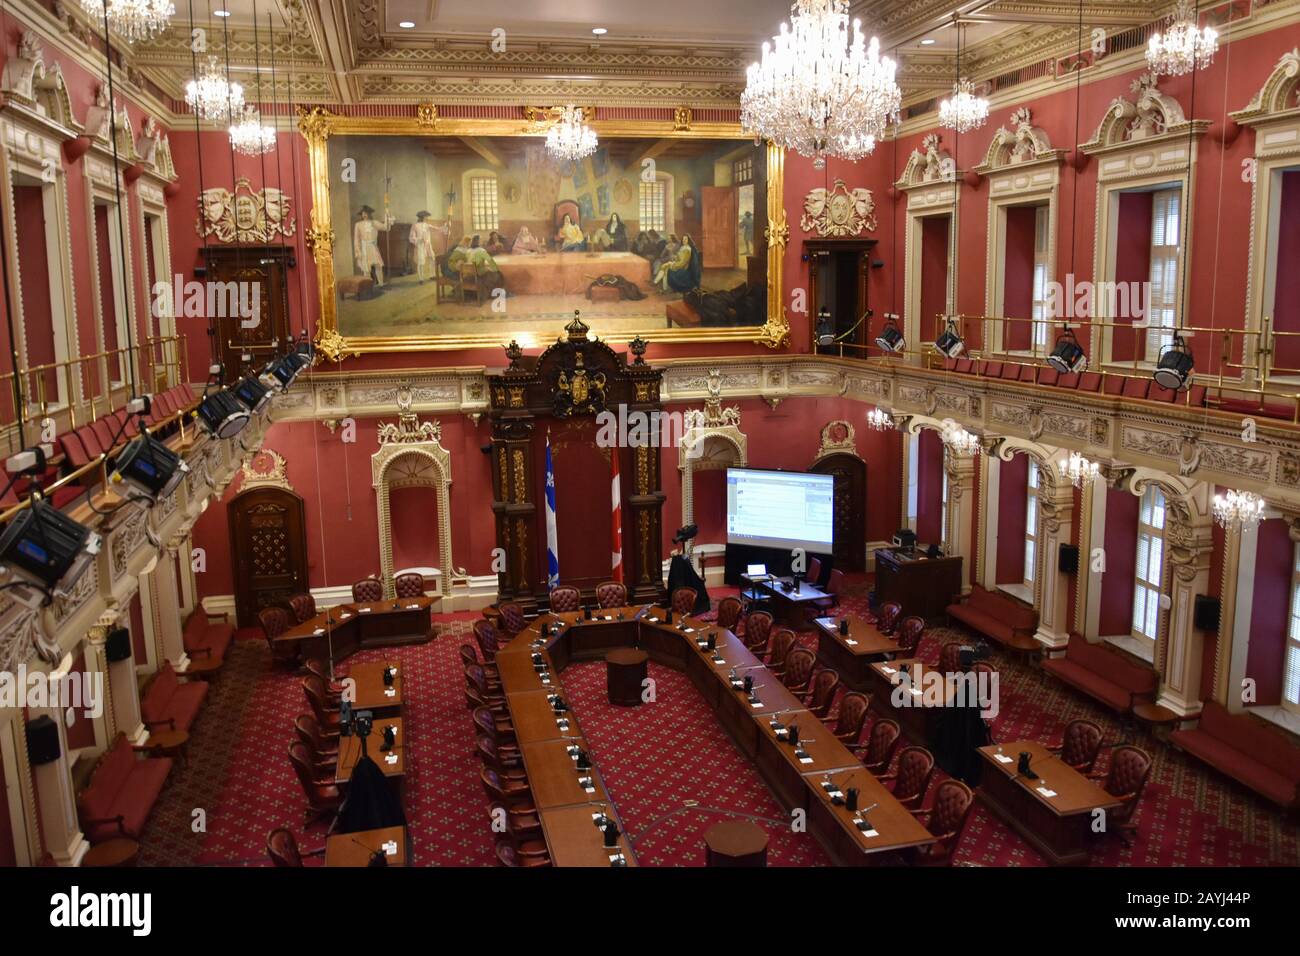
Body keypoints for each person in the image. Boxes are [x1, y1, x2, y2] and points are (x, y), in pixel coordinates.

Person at [353, 205, 392, 286]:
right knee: (366, 268)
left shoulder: (374, 223)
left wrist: (387, 217)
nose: (364, 215)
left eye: (366, 213)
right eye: (363, 213)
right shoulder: (358, 224)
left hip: (373, 246)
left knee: (378, 265)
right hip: (364, 248)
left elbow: (385, 227)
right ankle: (368, 285)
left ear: (369, 214)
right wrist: (358, 251)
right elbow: (356, 239)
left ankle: (381, 283)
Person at [408, 211, 437, 282]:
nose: (427, 218)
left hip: (428, 245)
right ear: (422, 217)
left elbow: (435, 229)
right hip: (420, 245)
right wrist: (419, 239)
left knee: (432, 259)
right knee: (421, 262)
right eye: (426, 217)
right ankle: (421, 278)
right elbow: (411, 237)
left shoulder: (427, 225)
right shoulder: (415, 225)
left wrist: (444, 227)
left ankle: (432, 275)